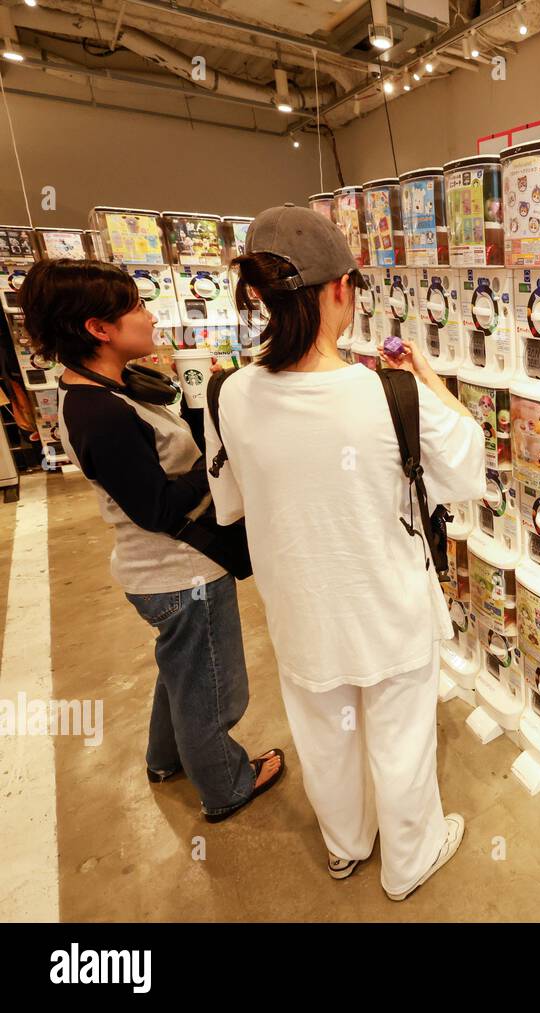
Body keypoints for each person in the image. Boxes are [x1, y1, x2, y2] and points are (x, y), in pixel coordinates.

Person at [206, 205, 484, 900]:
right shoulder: (390, 394)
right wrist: (428, 379)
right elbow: (468, 467)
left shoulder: (229, 393)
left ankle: (346, 846)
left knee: (325, 735)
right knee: (401, 738)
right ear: (339, 289)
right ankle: (409, 858)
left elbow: (232, 503)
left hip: (300, 608)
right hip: (386, 604)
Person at [19, 258, 284, 822]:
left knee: (183, 671)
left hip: (164, 570)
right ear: (99, 328)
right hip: (178, 570)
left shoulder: (105, 390)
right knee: (215, 689)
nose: (150, 314)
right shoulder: (100, 412)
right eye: (137, 306)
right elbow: (157, 508)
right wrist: (223, 458)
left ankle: (165, 759)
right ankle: (226, 786)